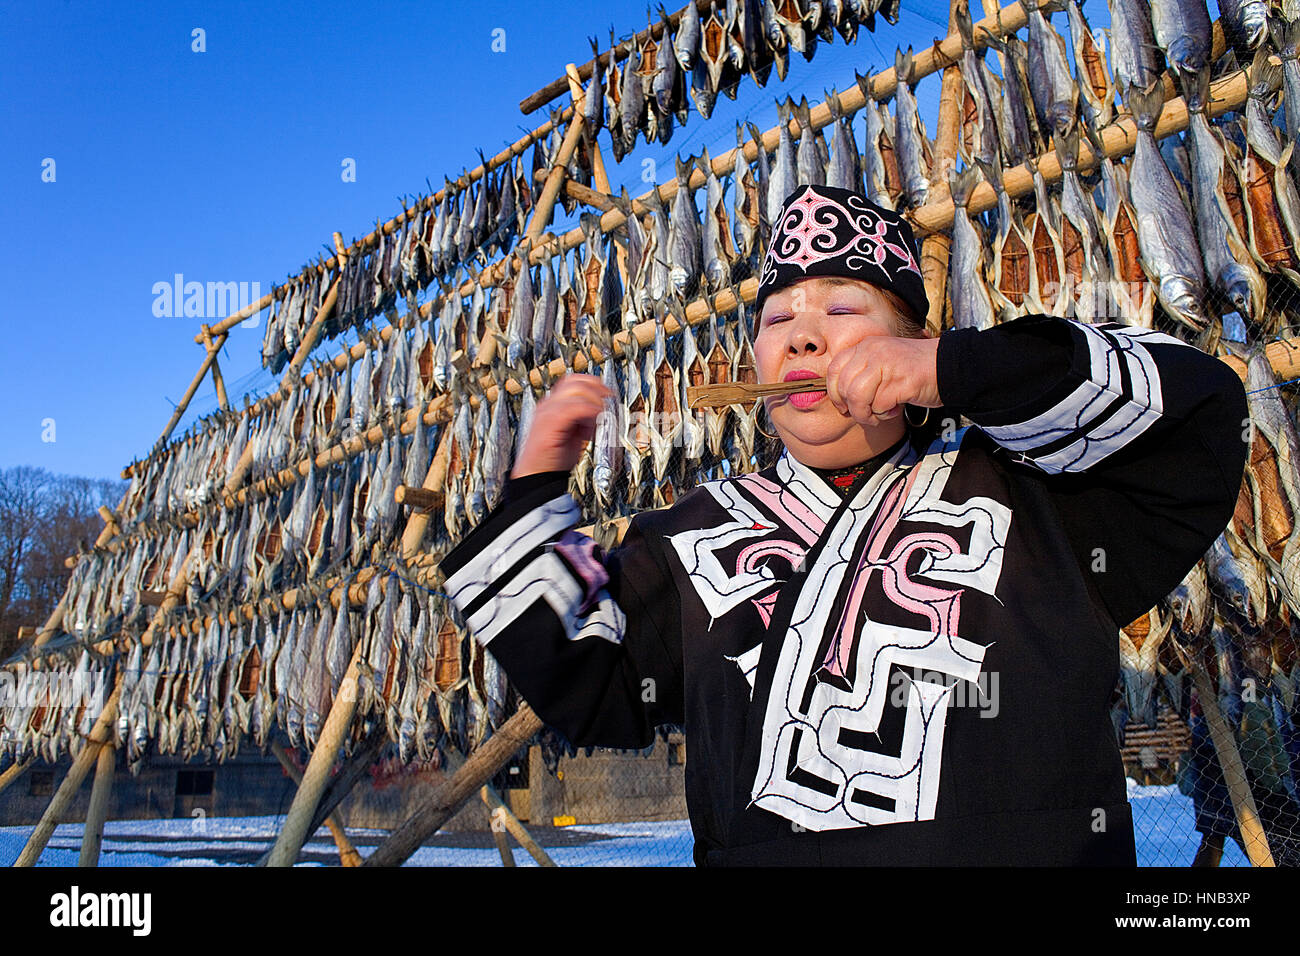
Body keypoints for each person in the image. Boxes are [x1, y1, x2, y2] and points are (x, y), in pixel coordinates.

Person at [439, 183, 1249, 865]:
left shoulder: (1042, 491)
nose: (804, 335)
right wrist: (534, 491)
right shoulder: (687, 536)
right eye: (776, 320)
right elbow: (586, 685)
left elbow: (1200, 416)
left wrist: (953, 372)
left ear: (916, 343)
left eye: (840, 306)